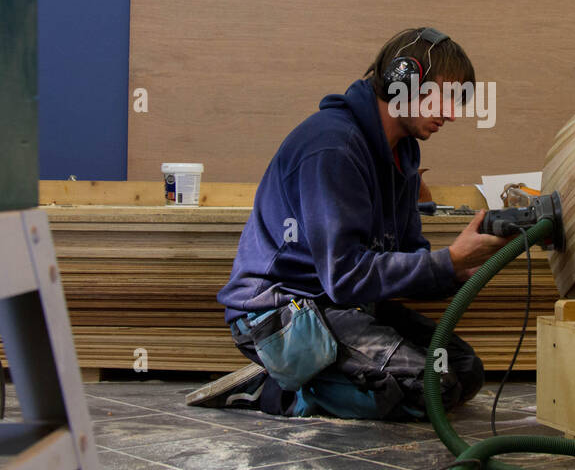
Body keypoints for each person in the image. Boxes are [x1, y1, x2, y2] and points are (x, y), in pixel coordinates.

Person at [213, 27, 507, 419]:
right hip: (286, 313)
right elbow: (346, 275)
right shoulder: (333, 147)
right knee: (429, 388)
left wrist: (458, 269)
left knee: (466, 373)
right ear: (404, 79)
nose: (452, 114)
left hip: (344, 304)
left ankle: (314, 374)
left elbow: (404, 258)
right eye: (446, 97)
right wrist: (447, 261)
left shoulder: (402, 153)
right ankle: (275, 390)